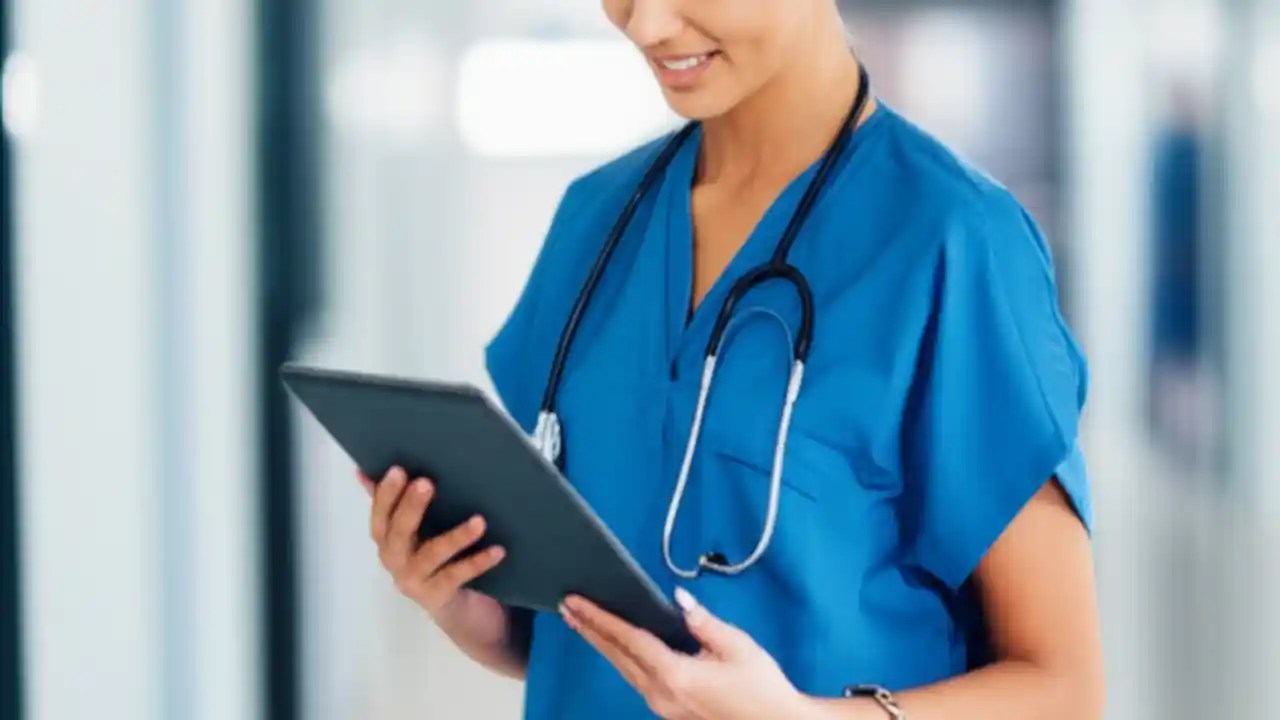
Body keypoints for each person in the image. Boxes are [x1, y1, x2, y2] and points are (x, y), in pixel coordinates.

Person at [358, 1, 1104, 718]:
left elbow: (1063, 693)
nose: (644, 23)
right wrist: (468, 610)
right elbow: (585, 643)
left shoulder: (954, 241)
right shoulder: (595, 224)